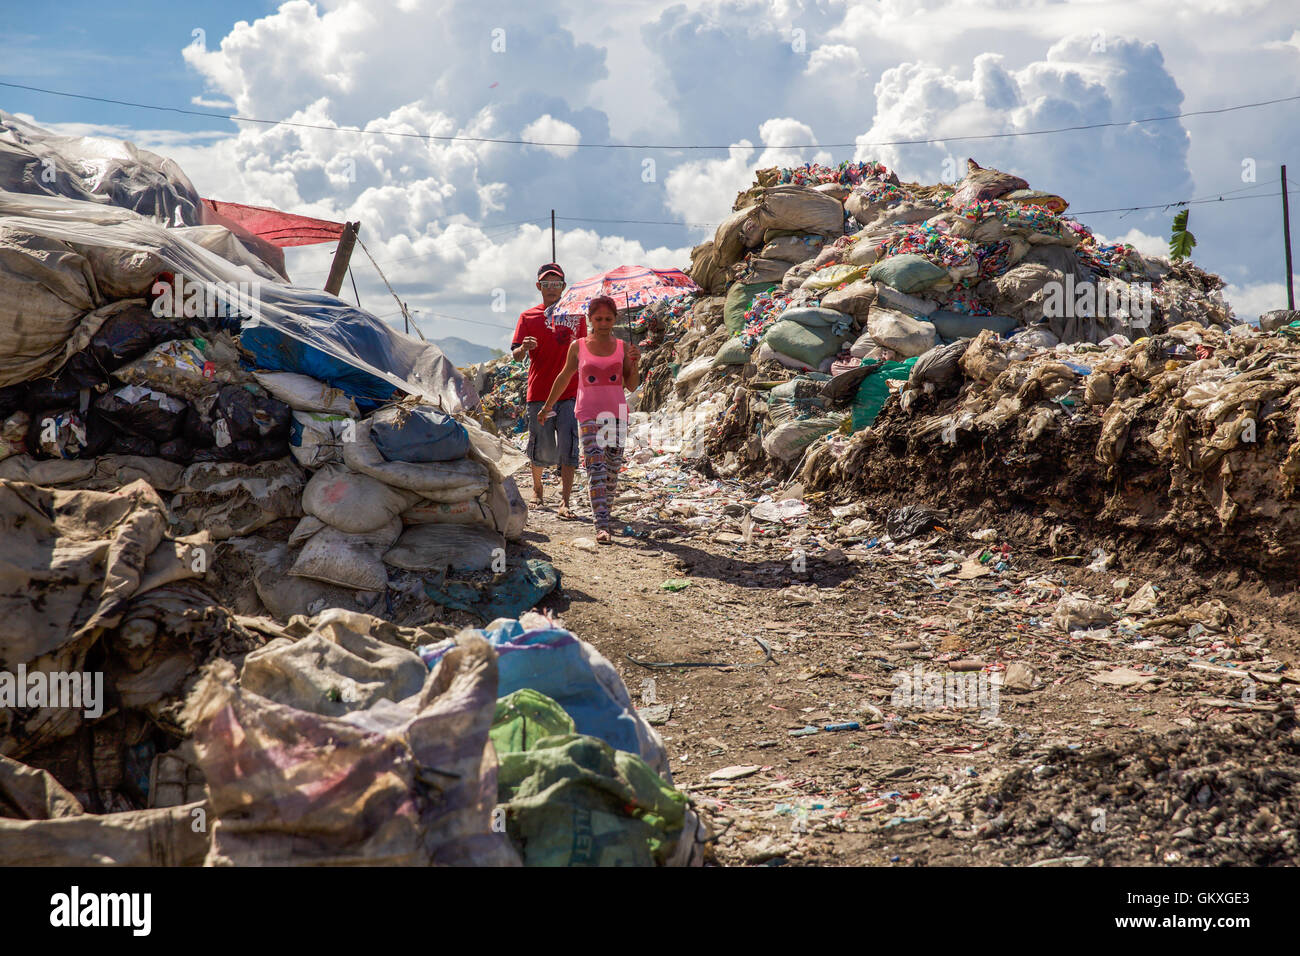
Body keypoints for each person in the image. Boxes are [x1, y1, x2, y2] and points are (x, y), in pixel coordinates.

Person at [539, 295, 639, 544]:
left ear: (615, 319)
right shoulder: (579, 346)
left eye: (608, 318)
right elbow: (564, 377)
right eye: (598, 318)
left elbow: (632, 384)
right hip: (587, 413)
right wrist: (547, 406)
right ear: (590, 319)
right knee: (595, 468)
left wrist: (635, 363)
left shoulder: (623, 347)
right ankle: (602, 525)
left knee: (612, 471)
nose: (603, 323)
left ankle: (606, 511)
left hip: (616, 413)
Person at [511, 262, 585, 517]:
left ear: (563, 287)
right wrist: (524, 348)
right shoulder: (528, 317)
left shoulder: (576, 316)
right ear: (538, 286)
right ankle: (538, 488)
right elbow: (516, 356)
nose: (551, 288)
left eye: (556, 284)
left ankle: (565, 500)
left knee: (569, 445)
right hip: (539, 392)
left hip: (569, 392)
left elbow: (585, 351)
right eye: (546, 284)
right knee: (541, 445)